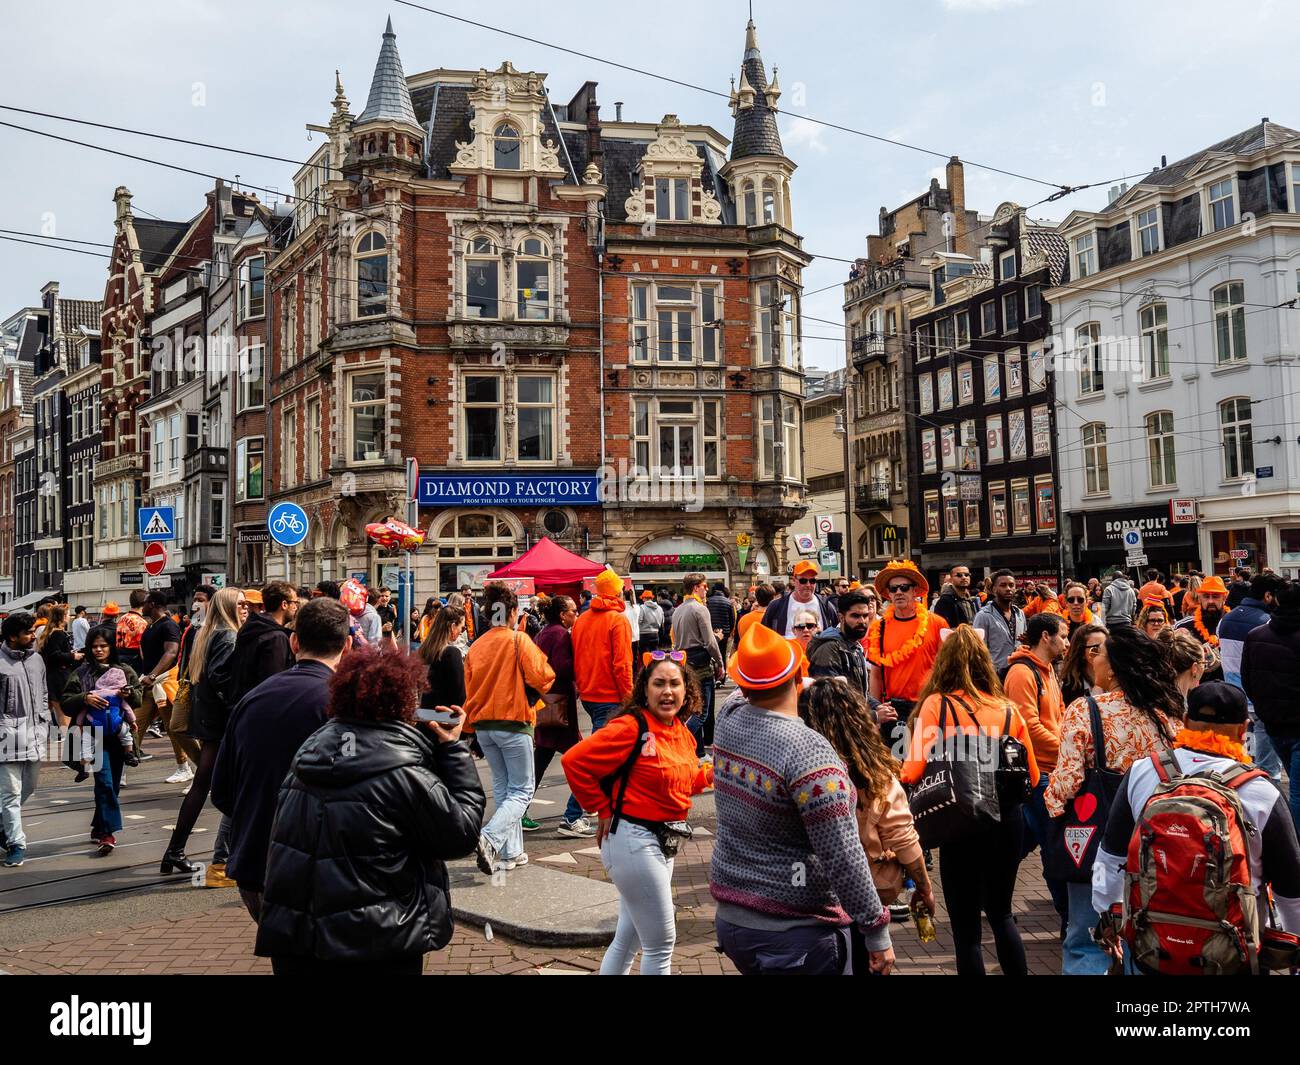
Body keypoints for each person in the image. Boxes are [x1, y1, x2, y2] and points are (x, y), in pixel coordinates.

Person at [255, 646, 485, 974]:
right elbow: (460, 835)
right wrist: (453, 751)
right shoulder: (403, 774)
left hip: (301, 939)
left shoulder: (306, 758)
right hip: (379, 939)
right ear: (404, 704)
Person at [711, 624, 893, 975]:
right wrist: (876, 929)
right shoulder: (810, 753)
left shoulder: (728, 718)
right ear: (797, 677)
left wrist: (796, 679)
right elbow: (843, 855)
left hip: (734, 920)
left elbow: (744, 693)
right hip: (796, 931)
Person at [1091, 682, 1300, 969]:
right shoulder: (1262, 791)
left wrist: (1106, 913)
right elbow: (1291, 889)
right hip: (1232, 951)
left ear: (1186, 722)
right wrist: (1293, 946)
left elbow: (1108, 856)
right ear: (1243, 729)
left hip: (1152, 945)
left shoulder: (1143, 771)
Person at [900, 627, 1039, 976]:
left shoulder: (937, 705)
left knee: (966, 931)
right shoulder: (1008, 709)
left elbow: (912, 769)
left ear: (942, 663)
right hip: (1007, 820)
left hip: (959, 820)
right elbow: (1032, 777)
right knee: (1002, 913)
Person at [562, 653, 712, 975]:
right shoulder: (631, 727)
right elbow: (574, 762)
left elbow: (685, 781)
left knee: (627, 940)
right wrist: (602, 807)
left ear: (687, 691)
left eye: (675, 683)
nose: (667, 691)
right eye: (659, 683)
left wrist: (715, 773)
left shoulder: (681, 731)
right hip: (633, 840)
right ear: (645, 690)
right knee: (661, 945)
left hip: (662, 843)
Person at [1045, 624, 1183, 974]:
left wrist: (1051, 805)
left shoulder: (1085, 710)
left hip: (1096, 837)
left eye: (1099, 653)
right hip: (1154, 838)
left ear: (1116, 665)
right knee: (1145, 936)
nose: (1093, 660)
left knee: (1086, 936)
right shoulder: (1165, 711)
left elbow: (1067, 780)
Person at [212, 598, 353, 922]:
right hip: (322, 867)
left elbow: (222, 791)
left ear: (294, 641)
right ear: (346, 645)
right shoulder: (343, 703)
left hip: (257, 866)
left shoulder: (251, 701)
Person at [801, 676, 934, 939]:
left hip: (806, 891)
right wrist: (924, 888)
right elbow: (903, 838)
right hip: (863, 893)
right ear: (859, 721)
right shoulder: (874, 775)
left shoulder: (796, 768)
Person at [462, 582, 555, 874]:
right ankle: (489, 837)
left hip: (483, 725)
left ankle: (510, 852)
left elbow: (468, 686)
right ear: (512, 612)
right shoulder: (518, 640)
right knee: (522, 790)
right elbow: (543, 677)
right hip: (513, 720)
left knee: (504, 787)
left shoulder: (476, 646)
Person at [159, 587, 247, 882]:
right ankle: (223, 857)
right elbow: (222, 677)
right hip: (221, 721)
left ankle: (176, 849)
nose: (246, 608)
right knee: (224, 785)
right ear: (227, 607)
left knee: (203, 784)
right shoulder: (228, 635)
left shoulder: (205, 633)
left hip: (208, 718)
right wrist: (240, 706)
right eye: (241, 604)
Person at [1004, 612, 1070, 931]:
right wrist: (1067, 749)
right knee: (1052, 843)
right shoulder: (1022, 673)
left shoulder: (1047, 671)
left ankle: (985, 891)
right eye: (1064, 635)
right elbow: (1026, 728)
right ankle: (1068, 917)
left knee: (1021, 842)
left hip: (1050, 768)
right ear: (1046, 637)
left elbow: (1055, 716)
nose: (1068, 642)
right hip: (1036, 772)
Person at [61, 626, 142, 856]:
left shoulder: (124, 670)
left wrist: (128, 694)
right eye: (94, 646)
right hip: (92, 735)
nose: (98, 650)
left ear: (111, 647)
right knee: (104, 782)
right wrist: (85, 698)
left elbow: (138, 699)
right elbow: (66, 702)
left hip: (119, 736)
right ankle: (107, 833)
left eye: (103, 646)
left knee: (113, 785)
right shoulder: (81, 672)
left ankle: (99, 825)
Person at [570, 570, 635, 814]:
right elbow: (622, 664)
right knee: (597, 758)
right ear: (618, 592)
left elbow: (577, 656)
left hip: (588, 692)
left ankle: (610, 800)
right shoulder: (618, 620)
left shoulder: (582, 620)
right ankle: (573, 813)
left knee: (608, 754)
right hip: (610, 695)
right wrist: (629, 697)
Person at [867, 559, 943, 753]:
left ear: (915, 591)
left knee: (929, 766)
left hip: (928, 706)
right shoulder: (879, 627)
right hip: (894, 710)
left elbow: (948, 669)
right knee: (898, 767)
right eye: (893, 589)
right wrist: (876, 712)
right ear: (888, 594)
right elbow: (875, 674)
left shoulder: (937, 623)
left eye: (904, 587)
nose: (899, 592)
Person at [1242, 579, 1300, 832]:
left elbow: (1248, 679)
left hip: (1274, 723)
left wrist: (1264, 707)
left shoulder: (1256, 635)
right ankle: (1293, 844)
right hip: (1293, 726)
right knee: (1297, 792)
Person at [528, 596, 588, 835]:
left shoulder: (544, 632)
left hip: (545, 702)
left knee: (540, 759)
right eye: (573, 611)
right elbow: (563, 668)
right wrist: (580, 667)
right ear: (563, 614)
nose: (576, 614)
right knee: (584, 761)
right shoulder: (561, 635)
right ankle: (573, 816)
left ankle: (519, 810)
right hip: (559, 705)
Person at [1217, 572, 1284, 782]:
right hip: (1259, 698)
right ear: (1267, 596)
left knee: (1242, 758)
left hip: (1235, 699)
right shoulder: (1267, 623)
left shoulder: (1225, 620)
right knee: (1267, 768)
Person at [0, 613, 50, 867]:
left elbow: (43, 693)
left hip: (34, 734)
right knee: (11, 794)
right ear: (12, 636)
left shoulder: (37, 660)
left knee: (28, 788)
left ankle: (3, 827)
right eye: (29, 632)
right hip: (6, 736)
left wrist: (45, 721)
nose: (33, 635)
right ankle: (16, 844)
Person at [133, 591, 197, 783]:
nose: (141, 606)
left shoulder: (168, 625)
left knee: (173, 728)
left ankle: (185, 767)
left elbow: (171, 652)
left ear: (152, 604)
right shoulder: (151, 625)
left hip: (164, 683)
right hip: (149, 684)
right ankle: (123, 766)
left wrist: (153, 674)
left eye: (144, 603)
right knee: (135, 724)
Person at [670, 573, 725, 758]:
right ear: (696, 588)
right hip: (700, 662)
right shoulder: (699, 609)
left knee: (693, 707)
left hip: (683, 661)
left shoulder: (679, 609)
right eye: (704, 586)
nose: (707, 589)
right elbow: (709, 642)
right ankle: (678, 740)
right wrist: (720, 662)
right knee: (701, 712)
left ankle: (699, 753)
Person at [228, 581, 299, 707]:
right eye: (294, 603)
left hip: (242, 706)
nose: (296, 607)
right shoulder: (276, 638)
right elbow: (273, 684)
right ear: (284, 604)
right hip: (261, 711)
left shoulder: (250, 627)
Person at [806, 589, 872, 696]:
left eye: (865, 616)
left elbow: (862, 694)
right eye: (855, 616)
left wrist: (877, 707)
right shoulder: (829, 648)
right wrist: (874, 713)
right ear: (841, 617)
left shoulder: (855, 646)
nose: (862, 621)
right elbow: (830, 699)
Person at [1173, 573, 1228, 682]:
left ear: (1224, 597)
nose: (1210, 601)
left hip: (1229, 690)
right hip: (1196, 691)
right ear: (1200, 598)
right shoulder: (1184, 627)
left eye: (1216, 596)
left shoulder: (1233, 624)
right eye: (1206, 596)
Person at [761, 560, 838, 637]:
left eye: (812, 581)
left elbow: (837, 633)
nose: (808, 585)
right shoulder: (776, 606)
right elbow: (763, 635)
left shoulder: (826, 605)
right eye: (803, 581)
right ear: (794, 581)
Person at [973, 569, 1026, 675]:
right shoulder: (983, 616)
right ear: (993, 590)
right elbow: (977, 650)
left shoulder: (1020, 613)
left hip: (1019, 672)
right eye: (1003, 585)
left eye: (1011, 585)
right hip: (994, 676)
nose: (1008, 589)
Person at [417, 606, 466, 710]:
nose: (461, 632)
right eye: (462, 628)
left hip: (425, 716)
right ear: (453, 626)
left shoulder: (423, 651)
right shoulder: (451, 653)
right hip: (445, 718)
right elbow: (460, 695)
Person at [1060, 623, 1107, 707]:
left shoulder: (1120, 678)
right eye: (1096, 648)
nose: (1104, 652)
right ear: (1081, 652)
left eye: (1107, 646)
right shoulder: (1070, 684)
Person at [115, 590, 149, 675]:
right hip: (134, 660)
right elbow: (142, 647)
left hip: (119, 658)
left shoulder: (122, 618)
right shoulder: (141, 622)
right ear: (144, 603)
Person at [932, 565, 977, 629]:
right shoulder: (944, 601)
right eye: (959, 575)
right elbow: (941, 627)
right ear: (951, 579)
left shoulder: (970, 600)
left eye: (967, 575)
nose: (964, 577)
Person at [634, 590, 664, 666]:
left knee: (645, 657)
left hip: (644, 635)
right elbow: (662, 621)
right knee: (655, 657)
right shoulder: (659, 608)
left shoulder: (642, 607)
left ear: (644, 598)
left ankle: (646, 674)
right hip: (656, 634)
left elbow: (639, 620)